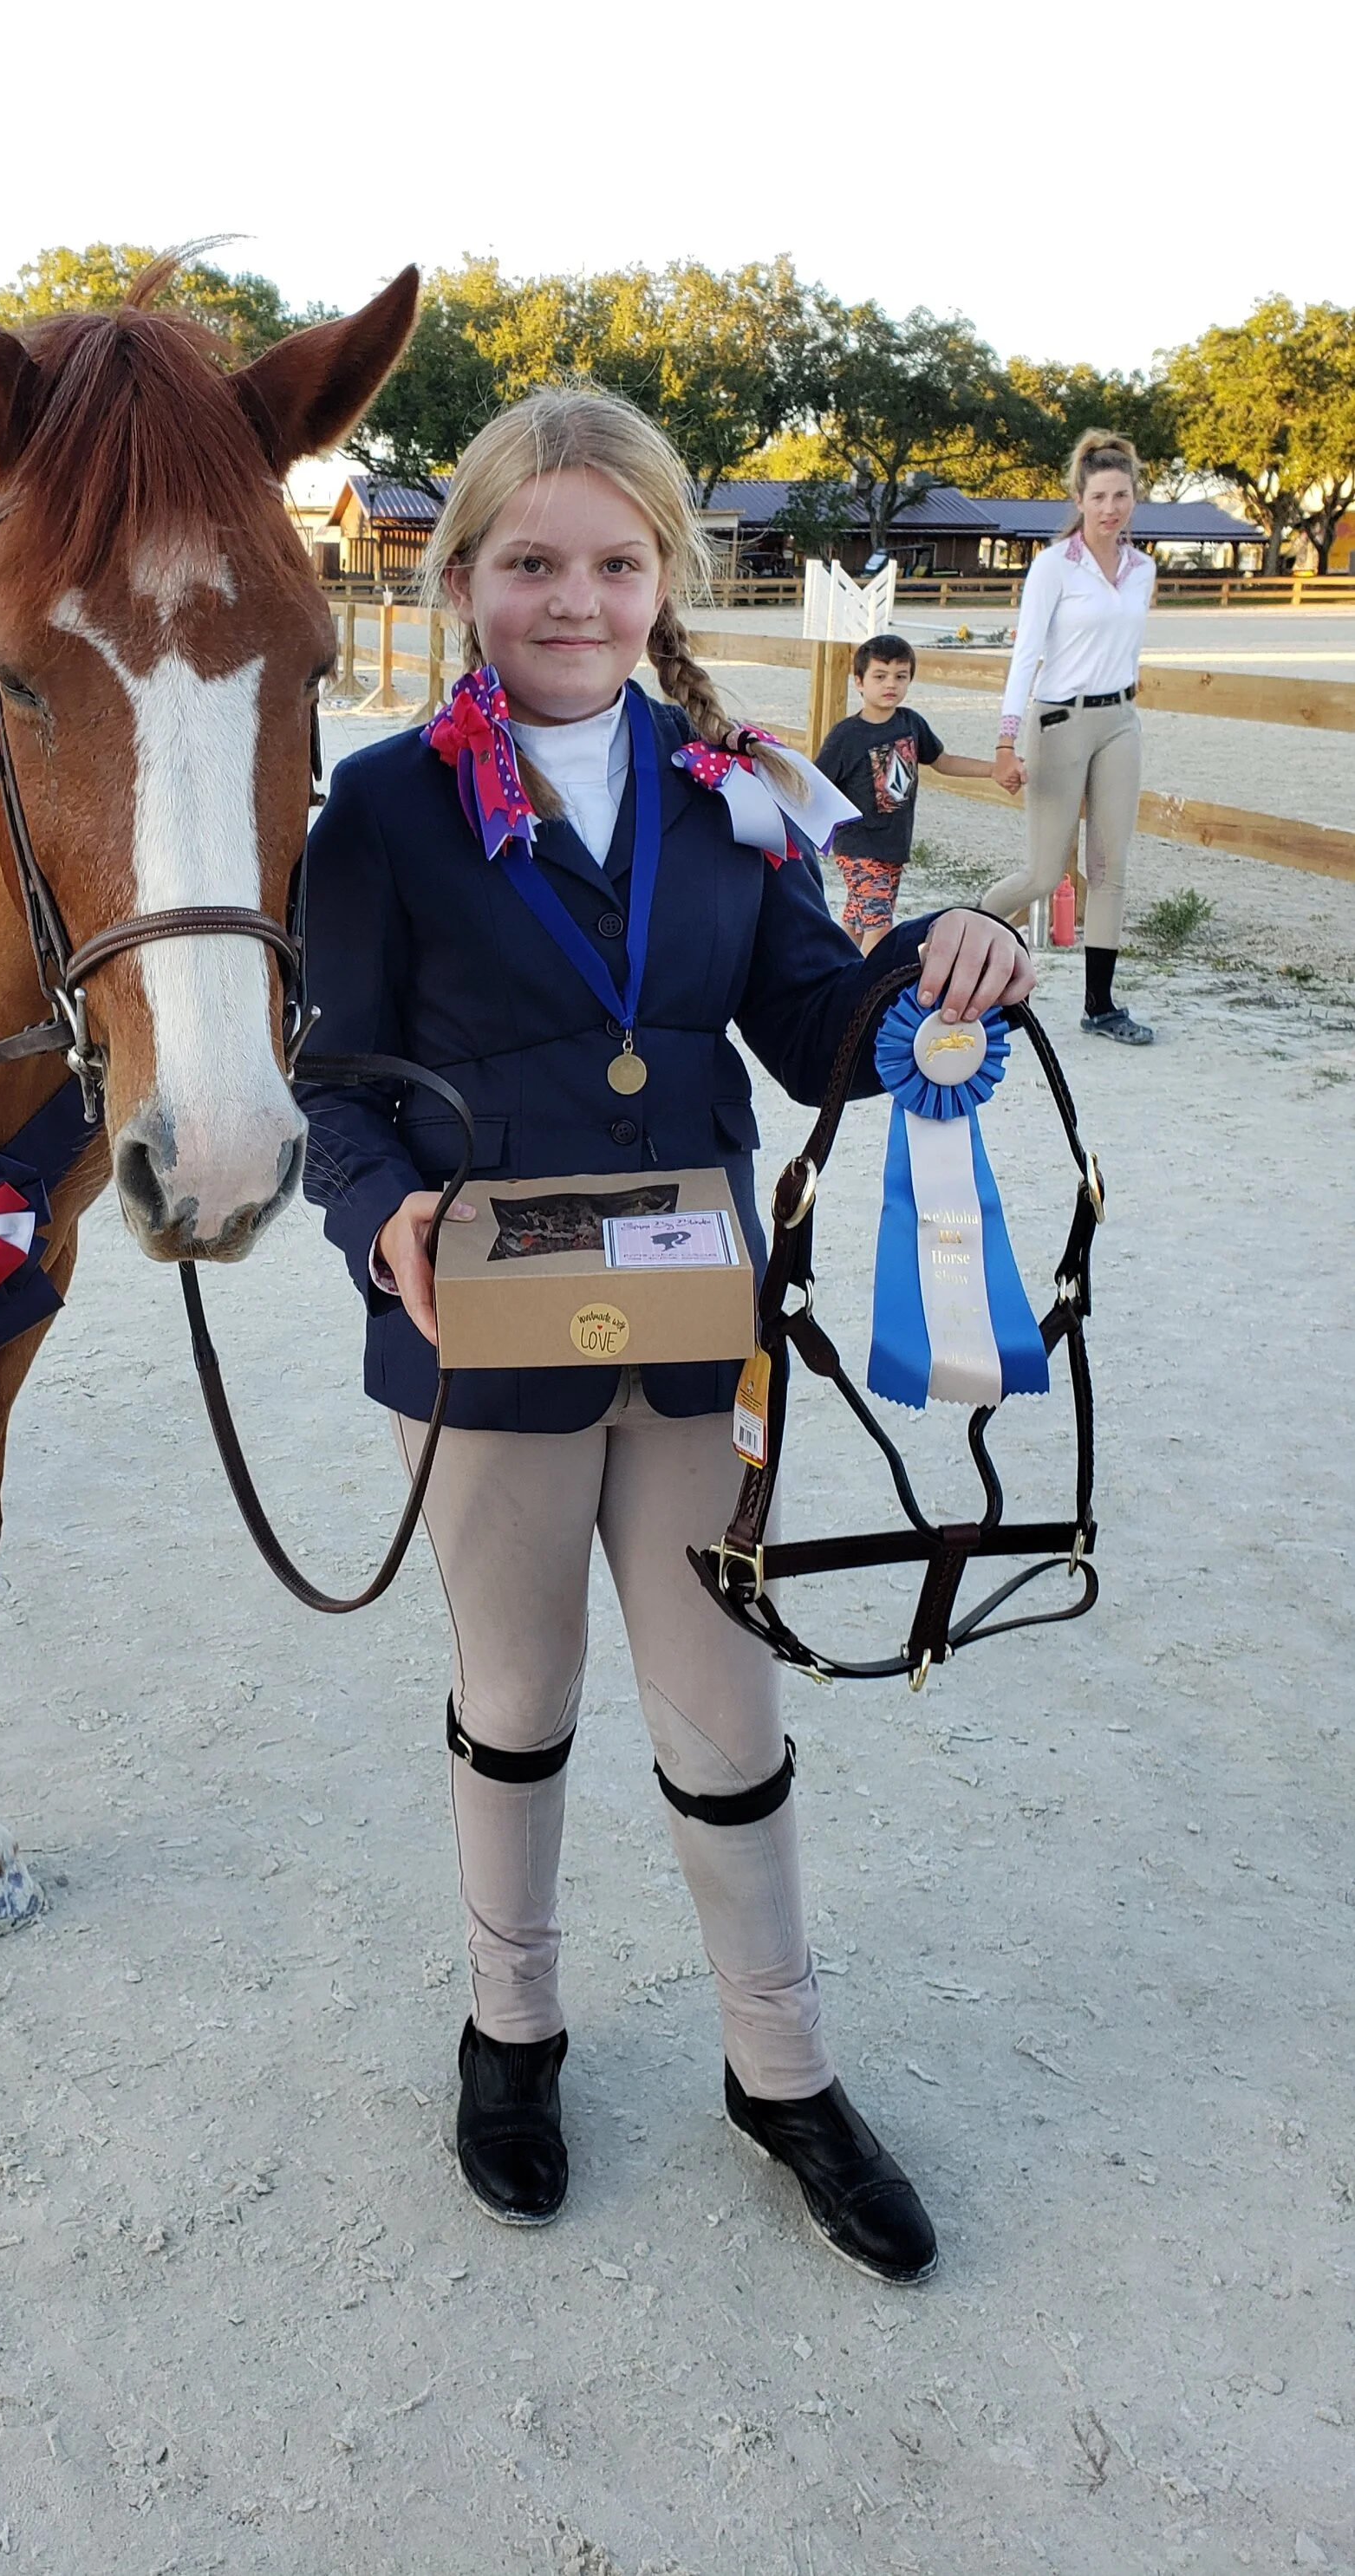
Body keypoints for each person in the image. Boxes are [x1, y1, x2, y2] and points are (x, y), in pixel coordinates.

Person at [297, 388, 1033, 2282]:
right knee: (517, 1701)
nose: (573, 599)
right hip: (482, 1330)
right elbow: (333, 1077)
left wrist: (929, 973)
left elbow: (810, 1026)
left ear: (664, 580)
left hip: (698, 1326)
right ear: (461, 576)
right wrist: (375, 1203)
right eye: (530, 561)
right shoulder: (377, 806)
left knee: (726, 1709)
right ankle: (510, 2029)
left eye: (613, 563)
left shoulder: (737, 787)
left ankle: (777, 2069)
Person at [981, 432, 1156, 1043]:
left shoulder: (1143, 570)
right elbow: (1027, 654)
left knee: (1111, 868)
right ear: (1080, 499)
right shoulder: (1054, 566)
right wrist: (1007, 742)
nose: (1111, 507)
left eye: (1122, 495)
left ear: (1135, 498)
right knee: (1043, 870)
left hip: (1120, 722)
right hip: (1059, 721)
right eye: (1100, 496)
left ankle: (1101, 1004)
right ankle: (965, 939)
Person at [816, 633, 1001, 953]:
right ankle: (868, 996)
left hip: (893, 845)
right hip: (859, 846)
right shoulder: (847, 735)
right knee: (880, 928)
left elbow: (942, 761)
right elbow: (817, 784)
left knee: (858, 921)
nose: (891, 684)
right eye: (880, 676)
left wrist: (993, 769)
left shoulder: (911, 724)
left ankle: (831, 979)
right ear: (859, 681)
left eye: (900, 676)